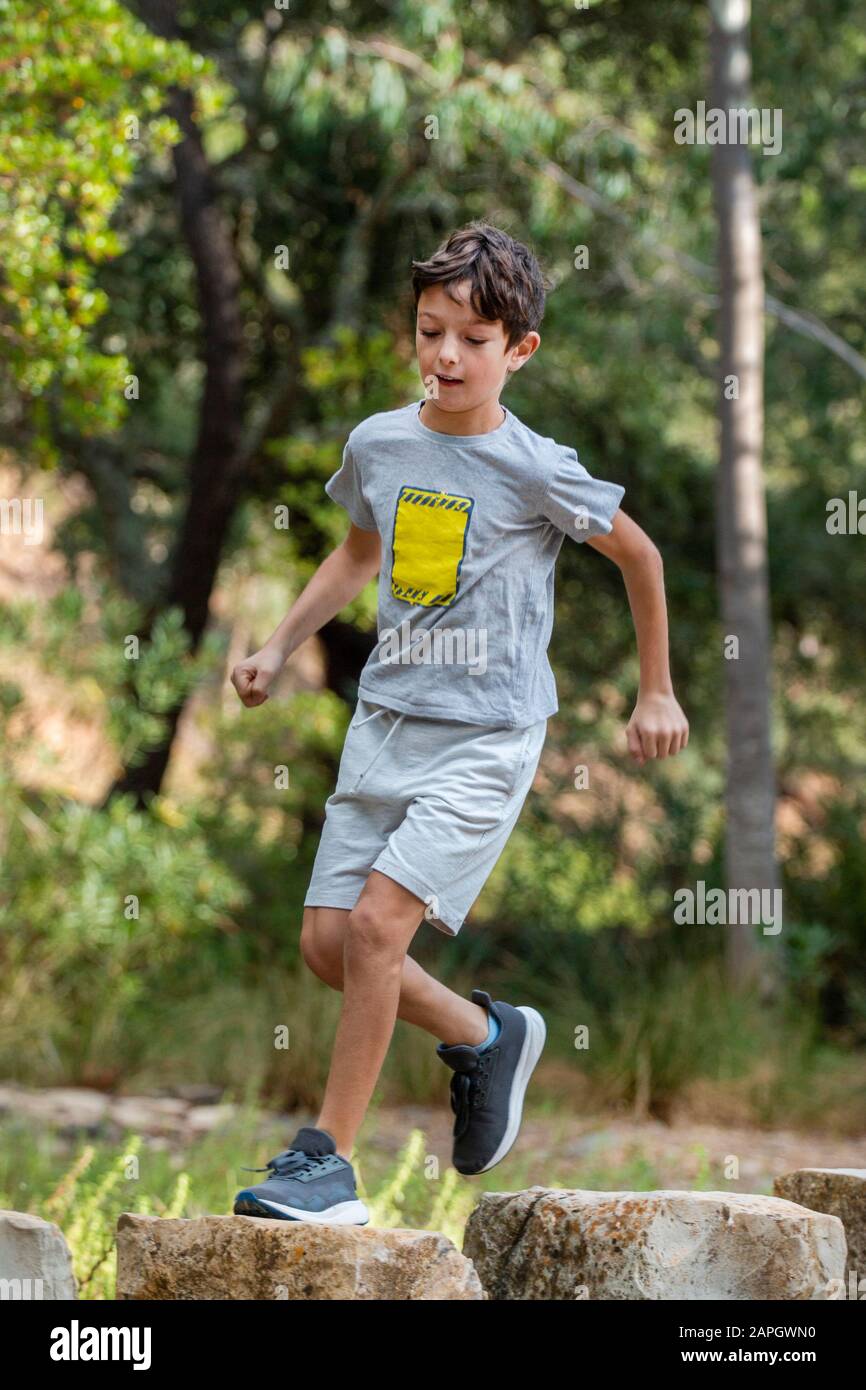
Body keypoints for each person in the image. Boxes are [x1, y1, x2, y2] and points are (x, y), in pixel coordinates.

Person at [230, 222, 689, 1226]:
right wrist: (276, 641)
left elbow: (639, 558)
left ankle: (326, 1164)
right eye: (430, 329)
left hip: (485, 738)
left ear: (517, 351)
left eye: (473, 339)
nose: (444, 354)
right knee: (326, 944)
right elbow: (357, 553)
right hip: (385, 721)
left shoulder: (535, 468)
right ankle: (486, 1035)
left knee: (374, 928)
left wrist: (654, 690)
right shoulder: (379, 443)